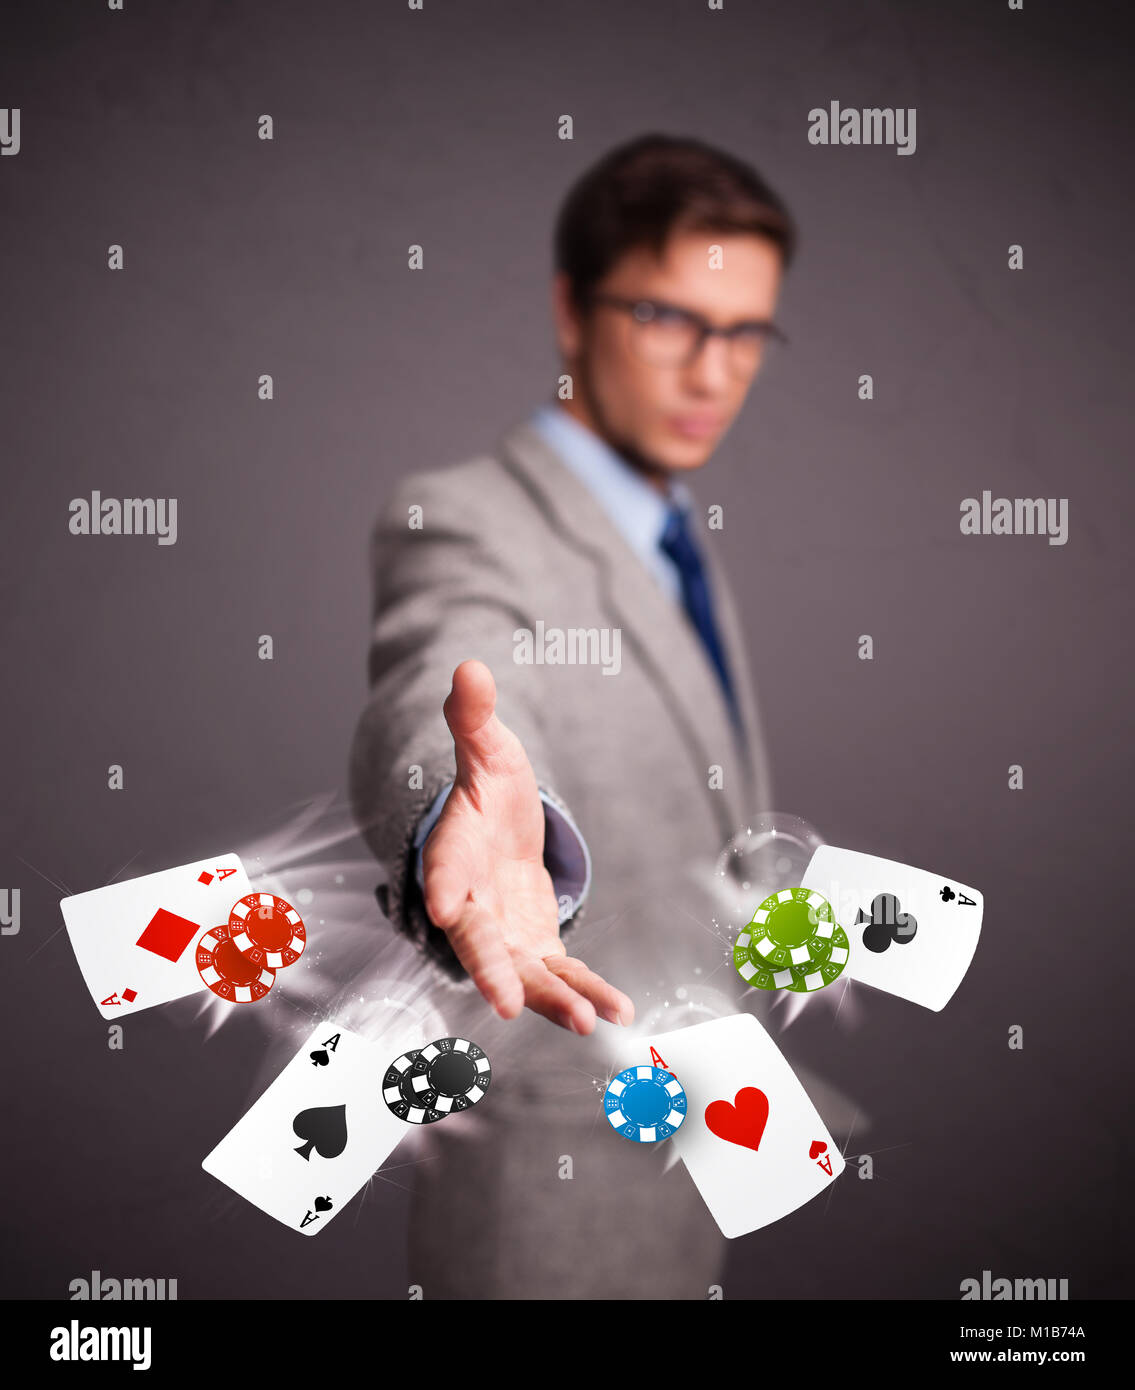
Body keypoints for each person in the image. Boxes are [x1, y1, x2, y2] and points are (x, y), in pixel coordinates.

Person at [350, 133, 796, 1298]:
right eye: (670, 319)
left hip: (675, 1167)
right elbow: (438, 670)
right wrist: (458, 801)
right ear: (570, 310)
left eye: (746, 331)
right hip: (547, 1207)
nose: (714, 372)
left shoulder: (670, 534)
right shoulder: (464, 517)